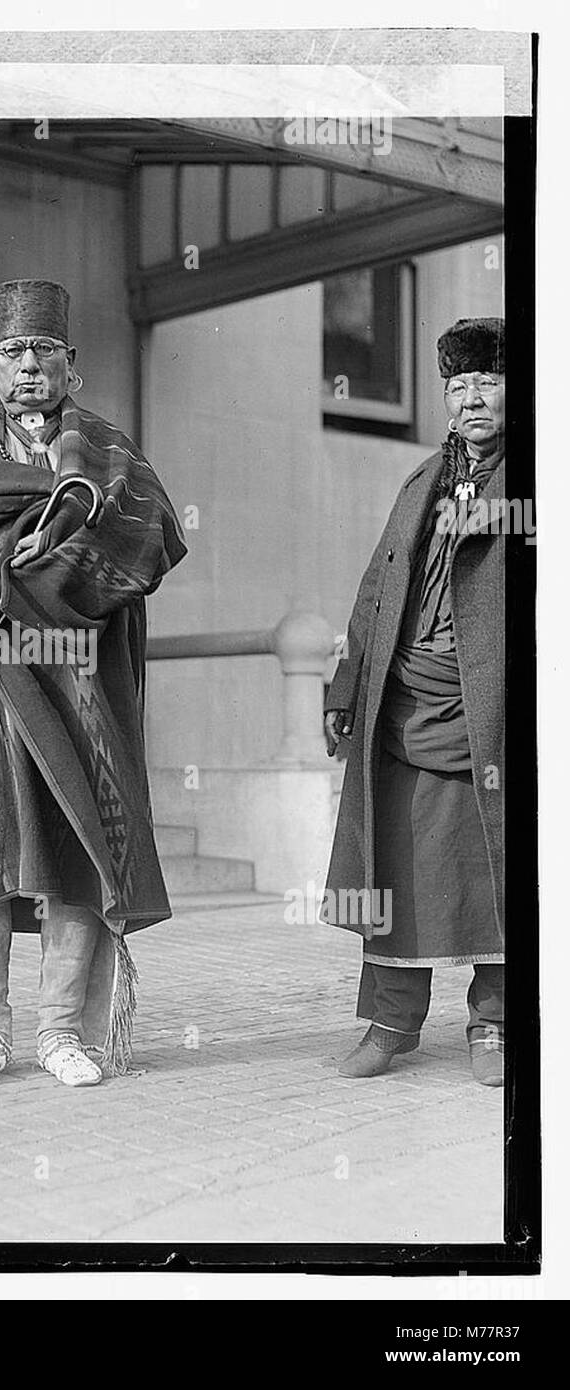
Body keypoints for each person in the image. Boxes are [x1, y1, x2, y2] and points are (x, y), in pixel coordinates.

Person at [0, 278, 187, 1088]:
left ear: (69, 365)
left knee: (78, 845)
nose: (28, 366)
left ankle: (63, 1035)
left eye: (43, 352)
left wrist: (66, 552)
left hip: (80, 685)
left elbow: (150, 542)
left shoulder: (108, 451)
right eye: (12, 353)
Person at [323, 318, 506, 1086]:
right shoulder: (419, 483)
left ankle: (494, 1029)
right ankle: (391, 1024)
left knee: (495, 873)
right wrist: (345, 688)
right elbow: (375, 593)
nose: (471, 400)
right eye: (458, 386)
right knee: (394, 868)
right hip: (401, 708)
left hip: (493, 716)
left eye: (487, 383)